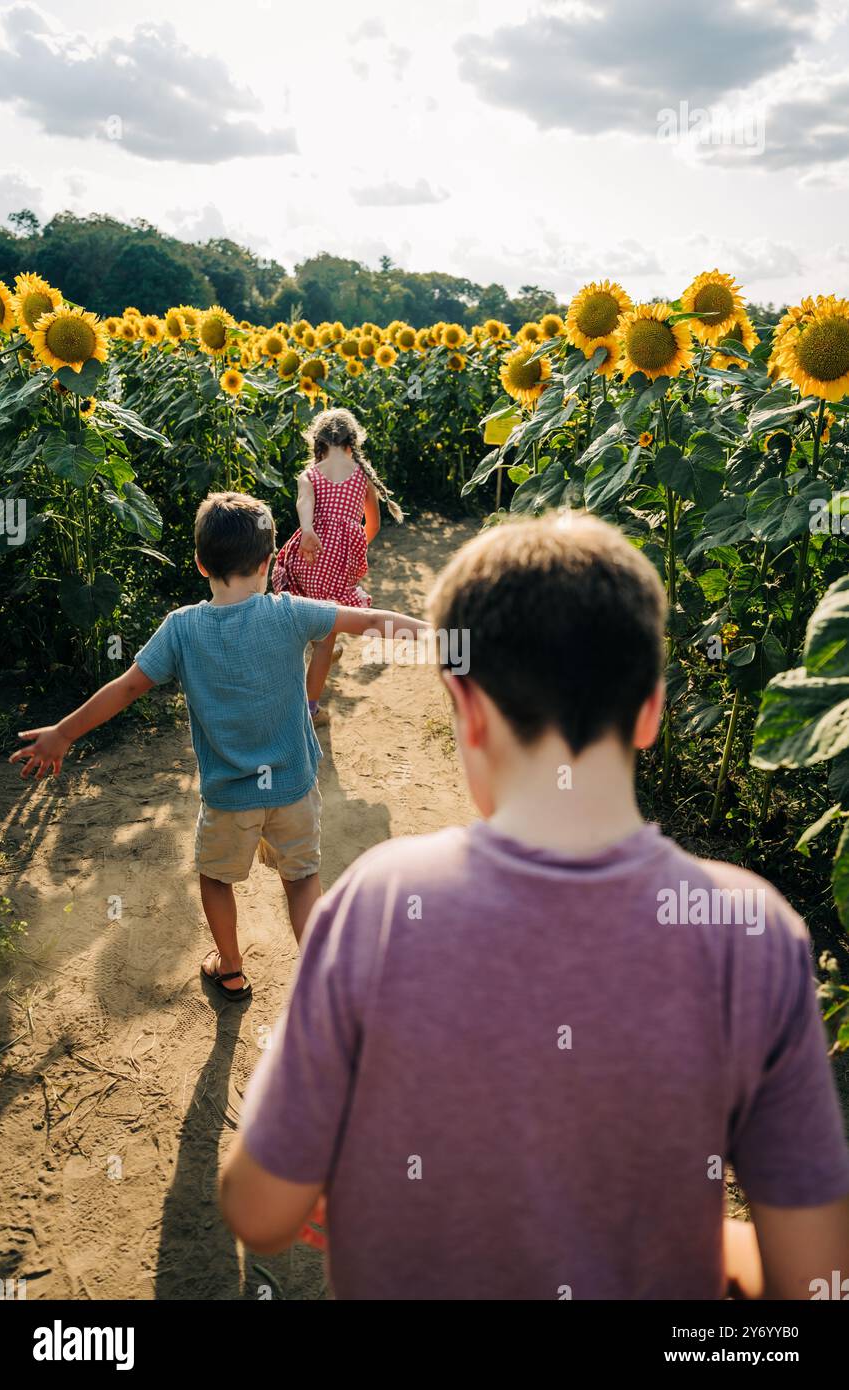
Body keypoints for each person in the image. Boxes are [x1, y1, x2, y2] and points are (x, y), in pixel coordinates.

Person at [221, 511, 849, 1298]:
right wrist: (687, 1234)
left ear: (468, 710)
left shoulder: (377, 904)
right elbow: (817, 1277)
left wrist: (297, 1066)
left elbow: (259, 1209)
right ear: (651, 709)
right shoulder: (752, 932)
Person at [10, 491, 426, 1002]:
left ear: (201, 562)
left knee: (215, 878)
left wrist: (63, 734)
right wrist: (427, 631)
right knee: (301, 881)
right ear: (270, 561)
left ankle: (229, 968)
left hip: (229, 797)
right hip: (293, 787)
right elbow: (365, 620)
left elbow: (125, 688)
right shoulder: (291, 613)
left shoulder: (182, 629)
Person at [273, 408, 402, 726]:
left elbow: (304, 502)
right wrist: (353, 544)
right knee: (327, 634)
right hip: (335, 567)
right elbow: (372, 524)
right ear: (352, 444)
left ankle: (320, 651)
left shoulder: (311, 475)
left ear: (317, 444)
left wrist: (308, 530)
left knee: (312, 615)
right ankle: (309, 710)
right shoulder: (362, 477)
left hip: (305, 559)